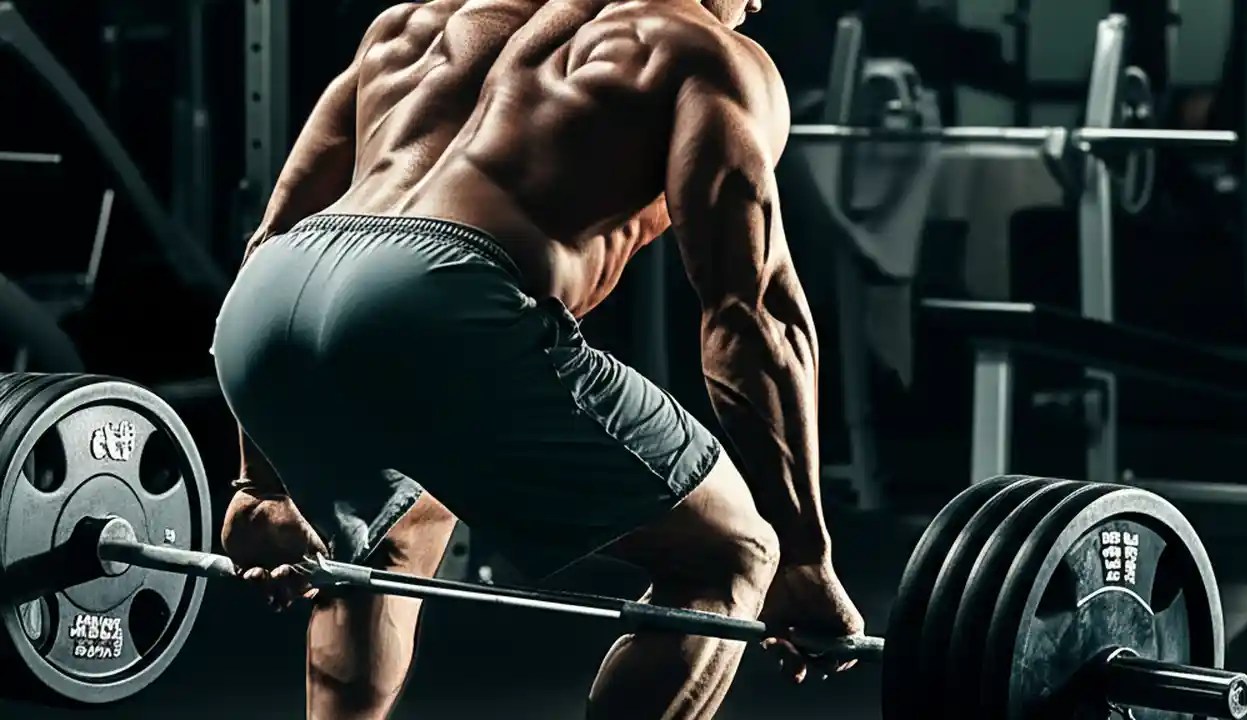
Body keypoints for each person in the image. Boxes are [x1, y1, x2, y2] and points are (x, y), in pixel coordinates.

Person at [213, 1, 865, 718]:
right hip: (436, 300)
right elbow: (752, 316)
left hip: (274, 291)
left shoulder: (417, 23)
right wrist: (805, 553)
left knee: (386, 538)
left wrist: (260, 483)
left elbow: (272, 237)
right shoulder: (703, 54)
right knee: (730, 555)